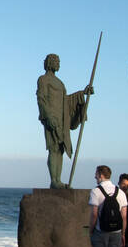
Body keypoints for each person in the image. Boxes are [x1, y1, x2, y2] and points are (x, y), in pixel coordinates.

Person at [36, 54, 94, 188]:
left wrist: (82, 93)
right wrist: (48, 116)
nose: (58, 64)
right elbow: (41, 98)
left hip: (62, 119)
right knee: (53, 148)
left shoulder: (60, 82)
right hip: (52, 117)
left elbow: (65, 101)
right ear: (50, 63)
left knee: (60, 149)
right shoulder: (43, 79)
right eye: (56, 61)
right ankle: (54, 181)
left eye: (59, 62)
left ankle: (58, 180)